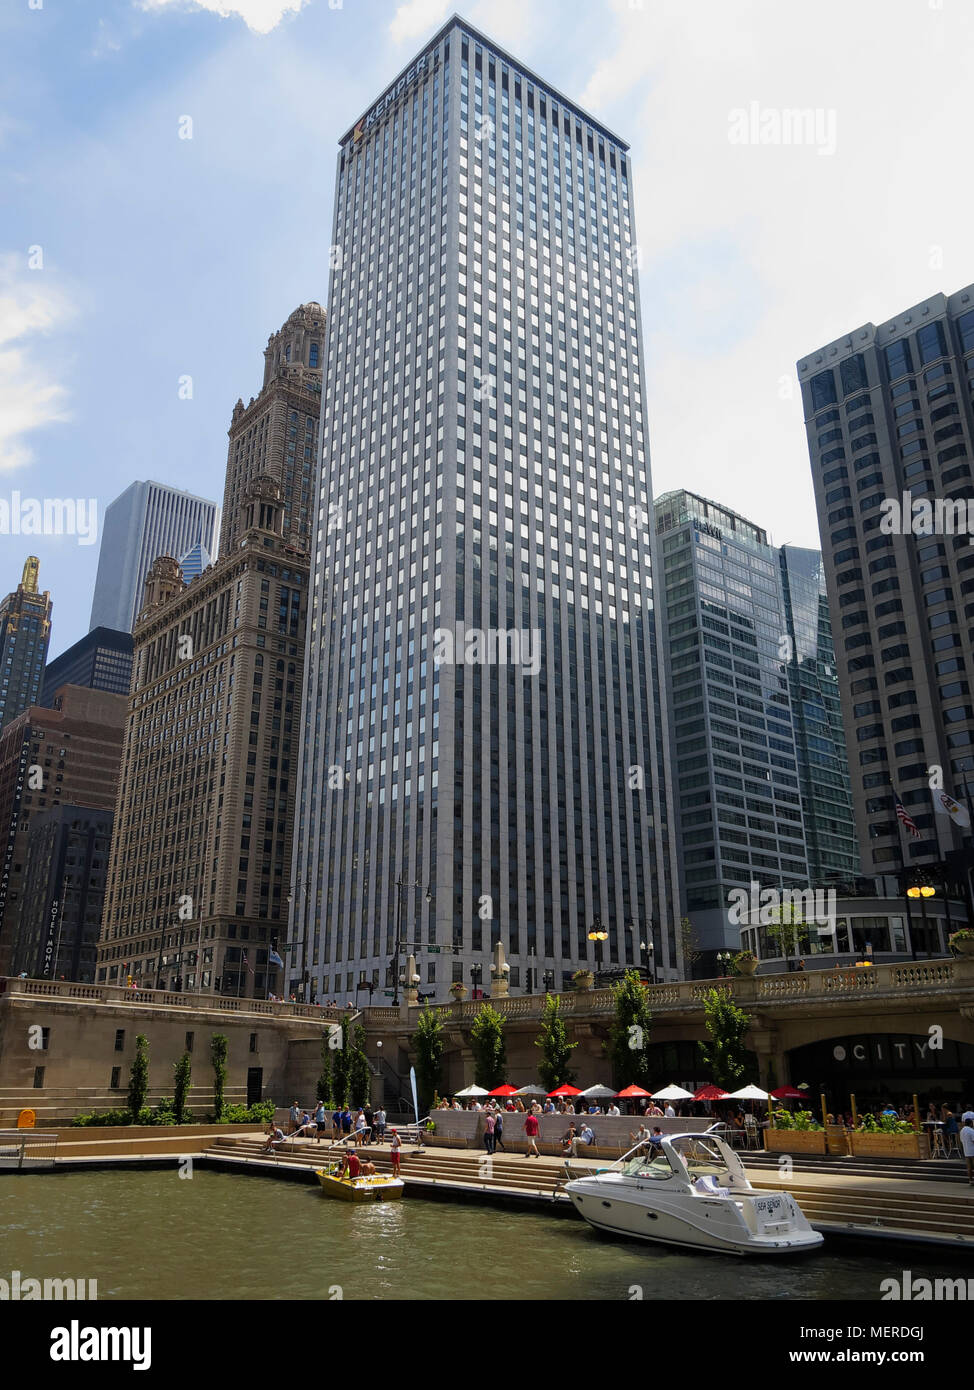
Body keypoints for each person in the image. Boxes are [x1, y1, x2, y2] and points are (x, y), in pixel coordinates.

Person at [960, 1119, 974, 1185]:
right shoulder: (971, 1130)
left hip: (966, 1151)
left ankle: (970, 1180)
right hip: (973, 1151)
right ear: (970, 1123)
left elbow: (961, 1140)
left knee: (969, 1167)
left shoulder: (962, 1131)